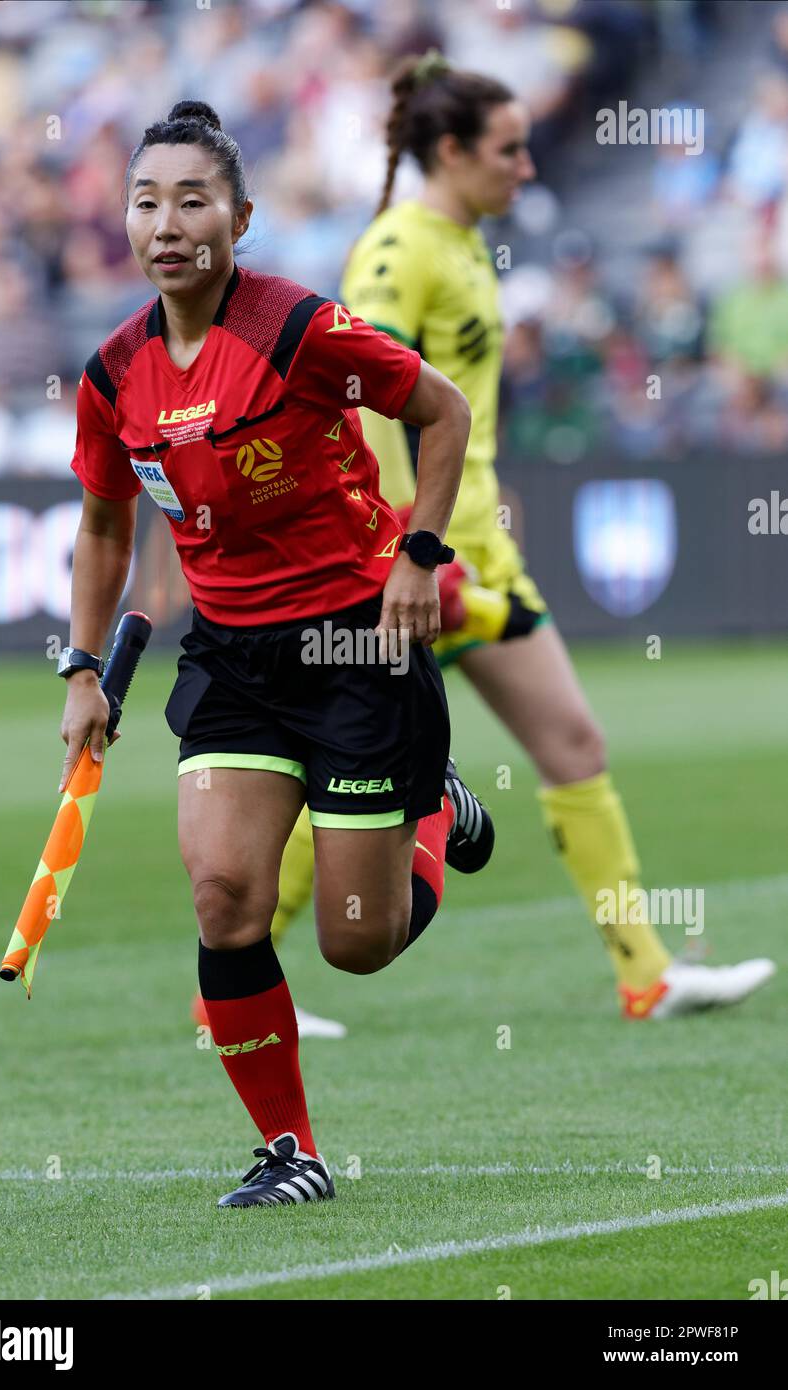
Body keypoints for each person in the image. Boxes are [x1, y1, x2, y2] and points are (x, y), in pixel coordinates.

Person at [258, 53, 775, 1022]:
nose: (525, 168)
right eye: (508, 150)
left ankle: (644, 974)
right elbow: (357, 398)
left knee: (570, 740)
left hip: (472, 555)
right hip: (414, 567)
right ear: (449, 152)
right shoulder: (398, 248)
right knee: (364, 773)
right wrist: (405, 547)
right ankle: (236, 977)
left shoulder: (457, 243)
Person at [59, 100, 494, 1209]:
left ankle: (433, 807)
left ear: (238, 218)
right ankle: (289, 1151)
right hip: (232, 659)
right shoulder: (113, 376)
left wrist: (419, 552)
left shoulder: (301, 331)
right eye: (146, 200)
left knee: (357, 942)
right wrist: (79, 666)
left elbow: (439, 411)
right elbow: (106, 526)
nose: (166, 222)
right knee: (223, 898)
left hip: (357, 644)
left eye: (191, 200)